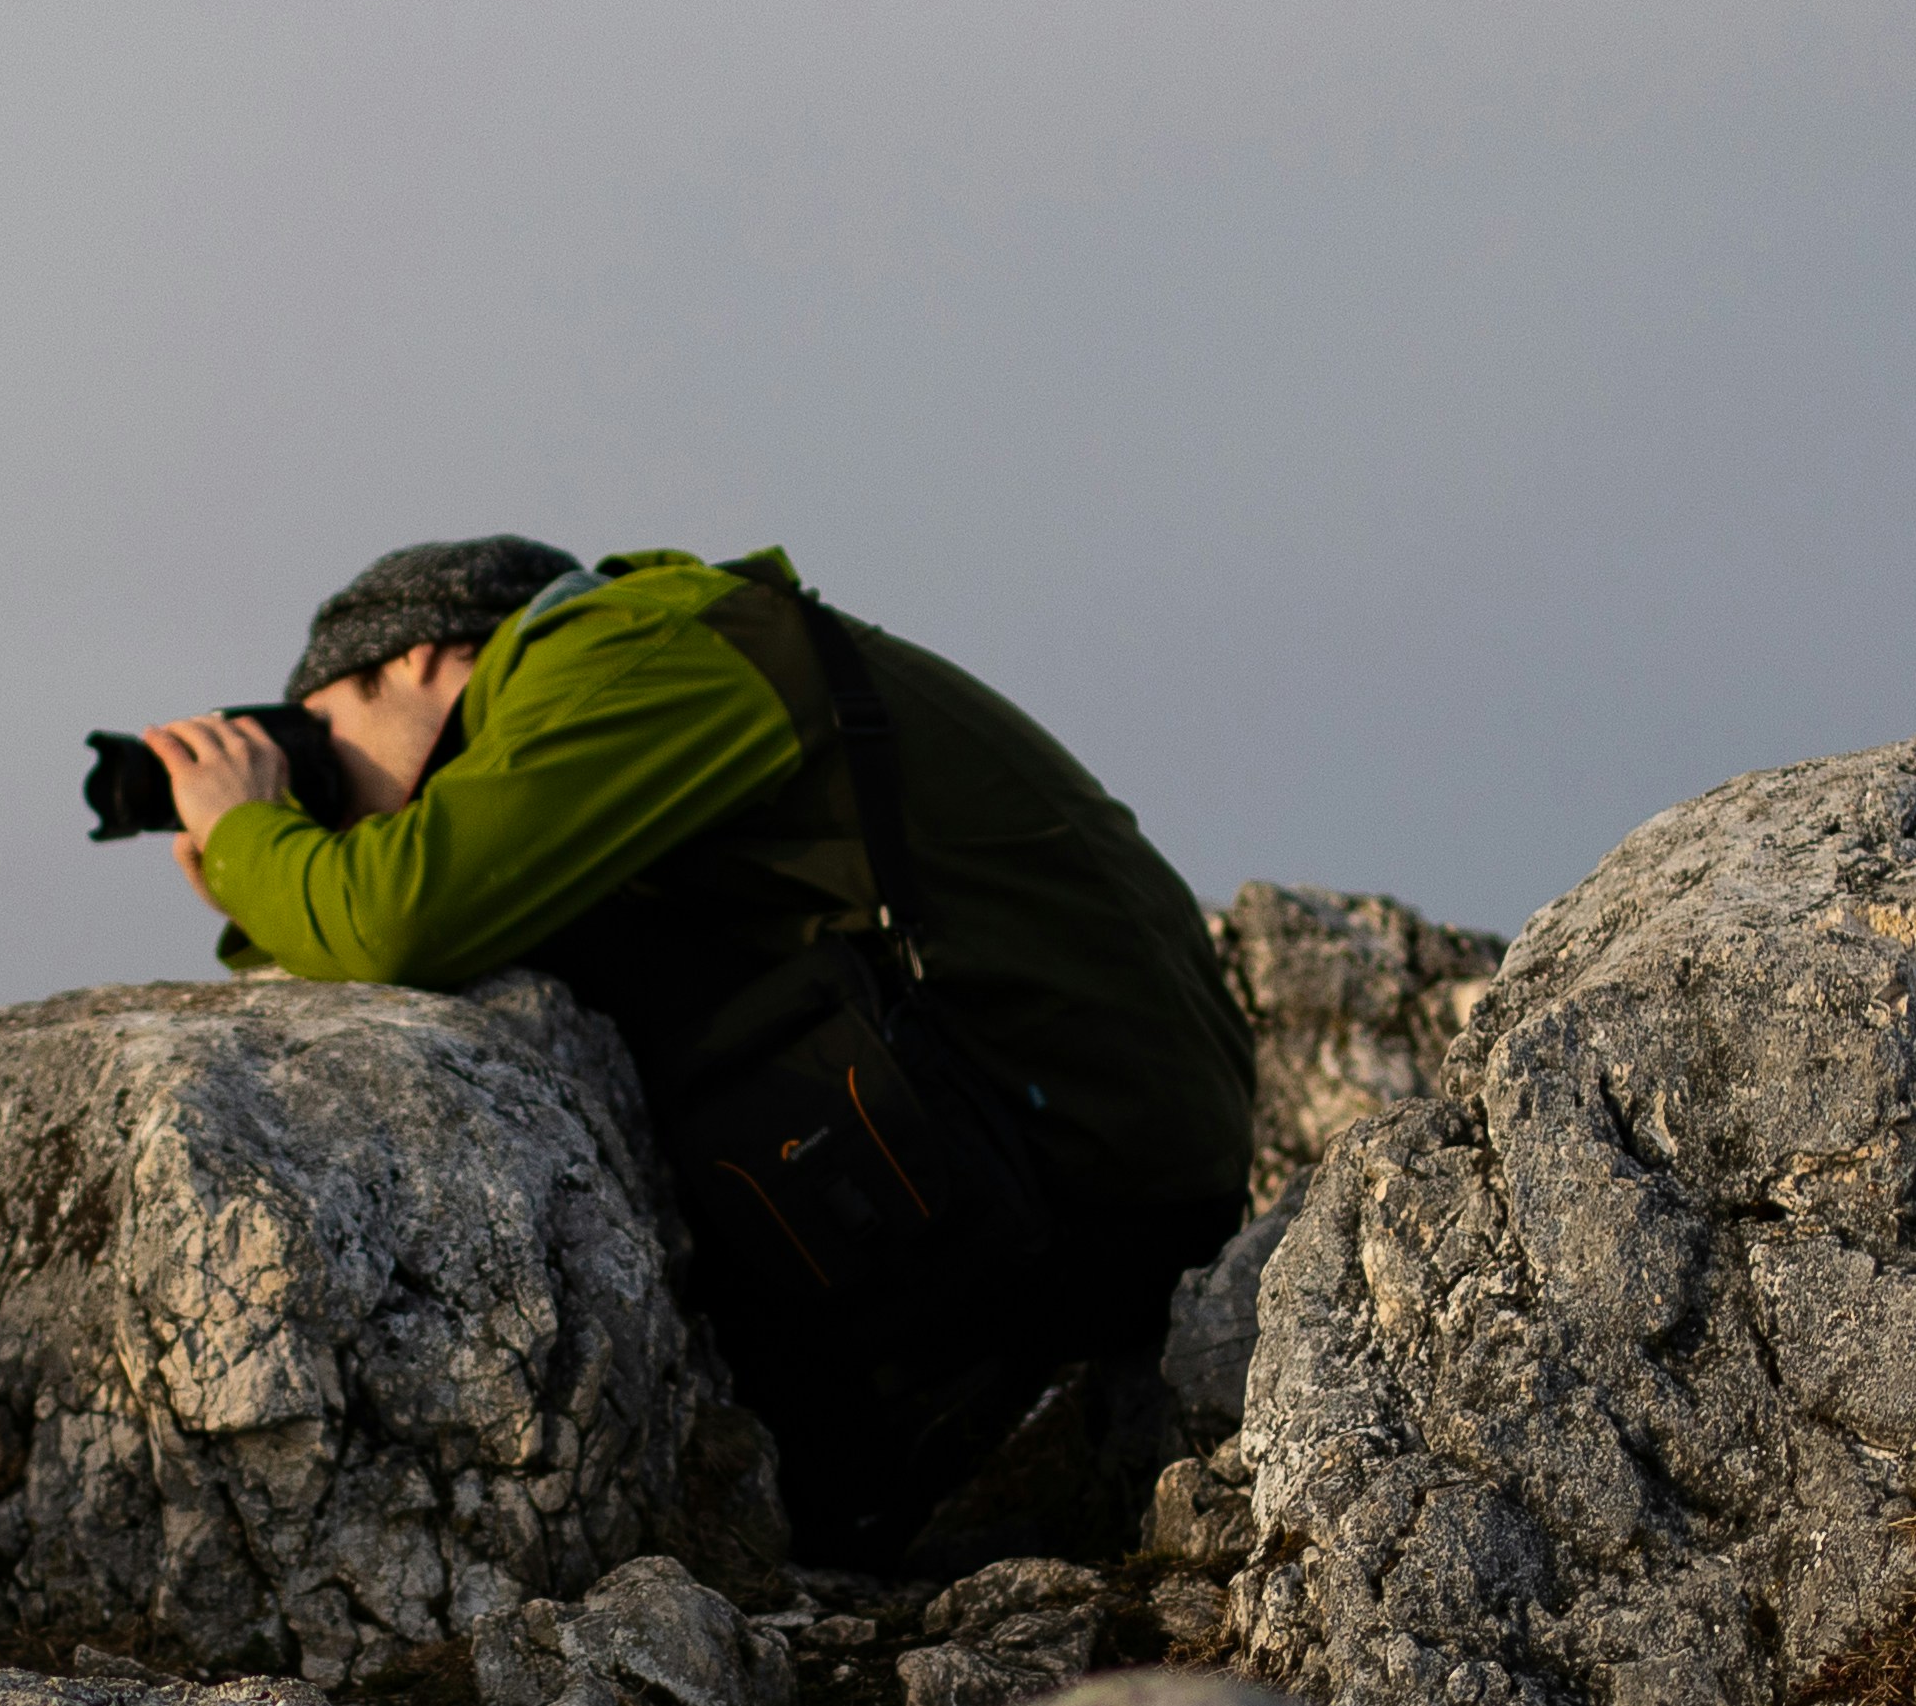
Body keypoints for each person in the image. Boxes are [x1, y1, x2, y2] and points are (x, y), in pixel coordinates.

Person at [138, 537, 1251, 1573]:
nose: (323, 780)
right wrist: (264, 876)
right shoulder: (643, 665)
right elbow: (409, 924)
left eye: (322, 736)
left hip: (1086, 1161)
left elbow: (398, 917)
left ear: (426, 652)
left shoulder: (635, 649)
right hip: (1062, 1132)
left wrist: (249, 834)